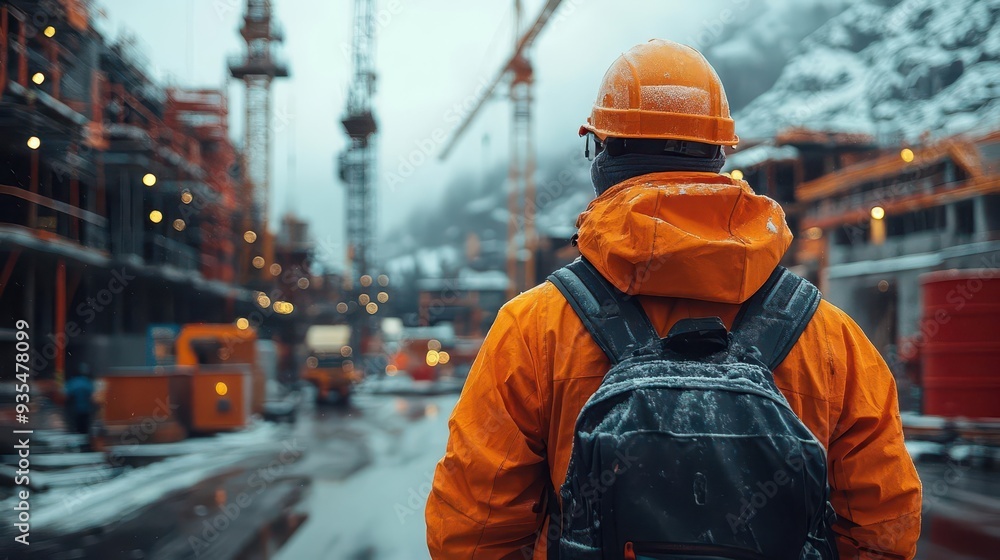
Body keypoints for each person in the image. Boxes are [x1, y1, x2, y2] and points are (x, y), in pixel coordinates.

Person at [425, 39, 922, 559]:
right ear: (719, 155)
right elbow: (885, 528)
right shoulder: (829, 337)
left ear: (602, 155)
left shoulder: (532, 328)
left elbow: (471, 533)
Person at [64, 363, 95, 436]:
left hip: (74, 409)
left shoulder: (72, 382)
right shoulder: (88, 382)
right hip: (85, 410)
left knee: (74, 428)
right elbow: (92, 396)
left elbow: (66, 394)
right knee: (84, 428)